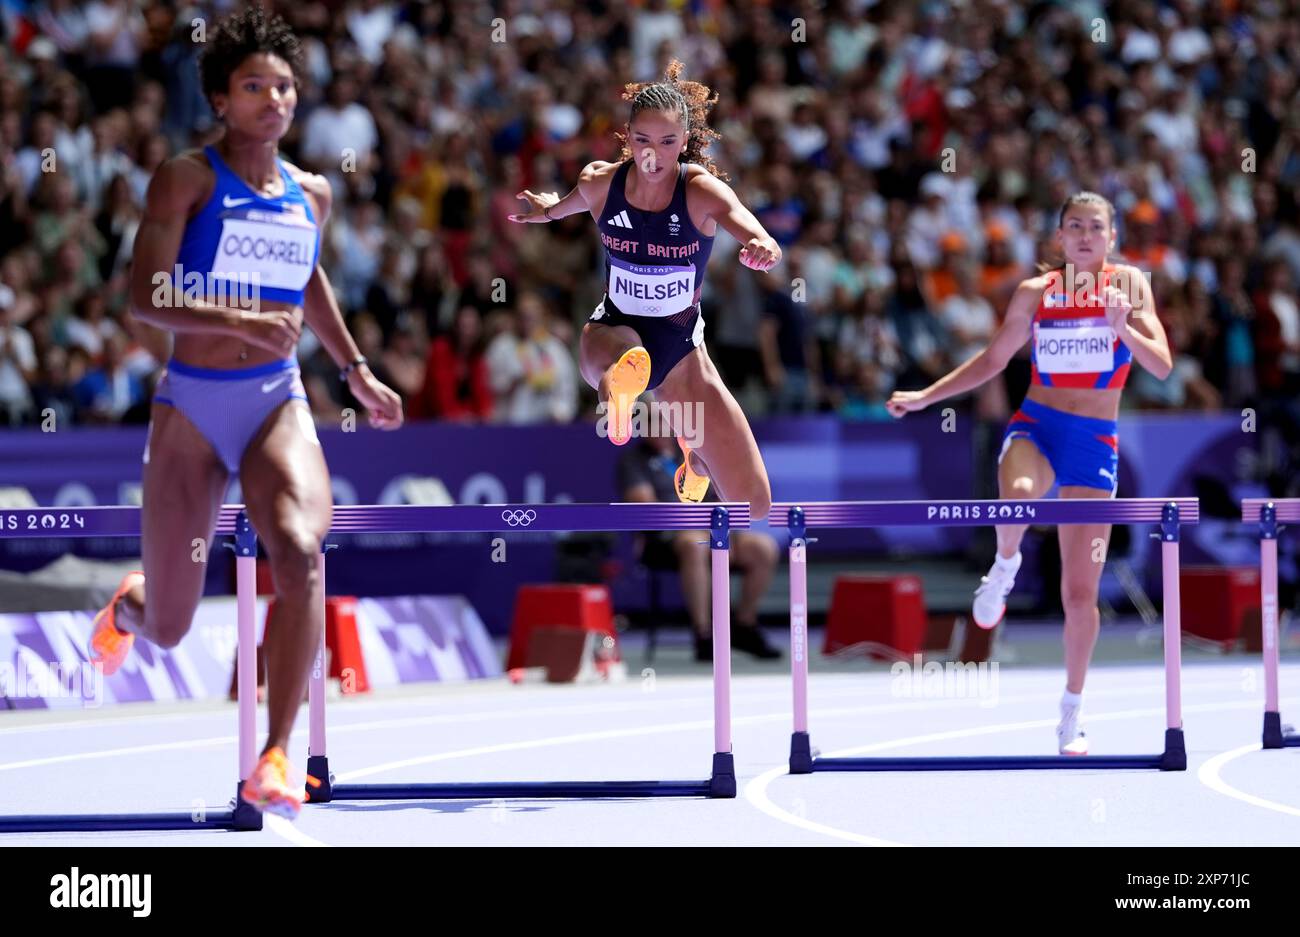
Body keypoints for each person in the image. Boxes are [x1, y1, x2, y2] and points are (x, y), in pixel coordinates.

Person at [87, 7, 403, 819]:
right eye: (254, 86)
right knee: (167, 625)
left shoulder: (312, 192)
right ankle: (130, 603)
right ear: (221, 101)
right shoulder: (186, 179)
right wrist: (234, 318)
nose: (274, 99)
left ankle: (274, 756)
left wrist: (355, 369)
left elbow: (310, 282)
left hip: (275, 400)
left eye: (285, 86)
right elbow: (143, 297)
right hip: (191, 406)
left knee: (300, 553)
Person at [887, 191, 1173, 755]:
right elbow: (993, 361)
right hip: (1037, 426)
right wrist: (925, 396)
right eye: (1075, 226)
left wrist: (1125, 328)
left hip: (1093, 444)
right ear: (1060, 239)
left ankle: (1071, 709)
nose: (1086, 235)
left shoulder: (1133, 288)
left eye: (1097, 226)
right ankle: (1004, 564)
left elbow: (1162, 367)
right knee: (1015, 497)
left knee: (1079, 593)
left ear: (1112, 238)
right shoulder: (1033, 294)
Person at [509, 60, 777, 520]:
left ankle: (694, 455)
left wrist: (762, 244)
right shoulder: (599, 183)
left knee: (754, 506)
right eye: (643, 141)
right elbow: (565, 205)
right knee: (619, 361)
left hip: (681, 349)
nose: (654, 154)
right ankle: (620, 399)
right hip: (613, 329)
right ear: (627, 138)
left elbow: (748, 224)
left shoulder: (699, 190)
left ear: (686, 141)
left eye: (669, 142)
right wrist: (548, 210)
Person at [618, 433, 780, 661]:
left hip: (711, 530)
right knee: (695, 545)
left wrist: (724, 534)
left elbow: (720, 497)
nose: (658, 427)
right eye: (651, 421)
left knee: (763, 548)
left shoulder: (690, 453)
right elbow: (644, 504)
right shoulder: (634, 459)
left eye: (662, 420)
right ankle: (703, 634)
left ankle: (744, 626)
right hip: (664, 539)